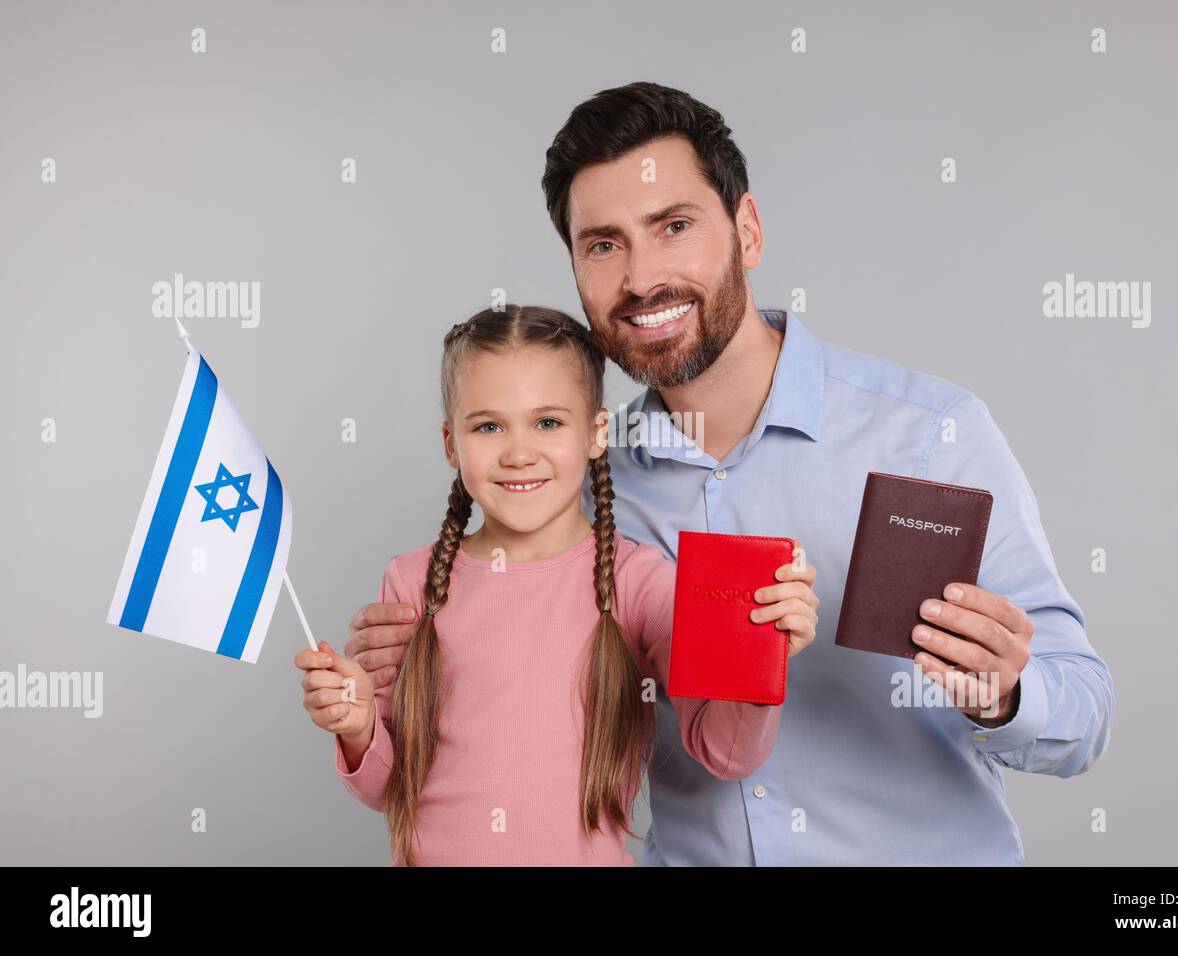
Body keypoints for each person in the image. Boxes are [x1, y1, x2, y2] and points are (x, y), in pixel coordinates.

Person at [346, 83, 1116, 865]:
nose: (642, 279)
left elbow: (1084, 716)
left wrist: (1007, 692)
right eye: (604, 244)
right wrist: (413, 653)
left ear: (747, 230)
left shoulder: (928, 434)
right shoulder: (578, 494)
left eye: (674, 226)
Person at [295, 305, 818, 865]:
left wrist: (761, 655)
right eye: (488, 426)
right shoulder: (411, 581)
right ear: (451, 443)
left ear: (596, 432)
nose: (519, 453)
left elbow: (726, 751)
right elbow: (386, 787)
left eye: (548, 422)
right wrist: (358, 725)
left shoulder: (639, 583)